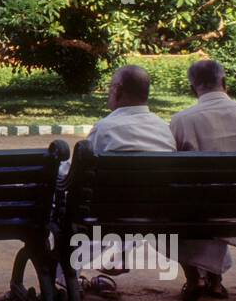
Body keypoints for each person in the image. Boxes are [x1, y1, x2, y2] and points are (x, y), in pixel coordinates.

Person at [168, 58, 236, 301]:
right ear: (225, 83)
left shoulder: (181, 121)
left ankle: (194, 277)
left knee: (187, 200)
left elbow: (171, 172)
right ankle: (215, 281)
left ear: (192, 88)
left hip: (201, 211)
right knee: (226, 193)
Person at [59, 65, 178, 284]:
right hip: (149, 214)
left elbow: (71, 174)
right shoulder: (163, 129)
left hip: (104, 214)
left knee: (60, 205)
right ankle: (115, 255)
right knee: (131, 198)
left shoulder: (106, 128)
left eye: (110, 86)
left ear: (118, 90)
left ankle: (66, 280)